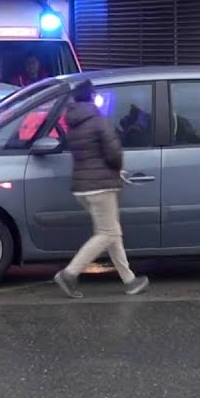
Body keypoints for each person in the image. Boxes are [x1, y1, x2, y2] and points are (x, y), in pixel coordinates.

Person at [53, 80, 149, 298]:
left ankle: (130, 280)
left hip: (82, 187)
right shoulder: (97, 121)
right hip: (101, 186)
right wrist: (117, 169)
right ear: (92, 96)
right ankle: (69, 274)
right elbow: (114, 152)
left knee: (112, 233)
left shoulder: (74, 123)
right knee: (107, 233)